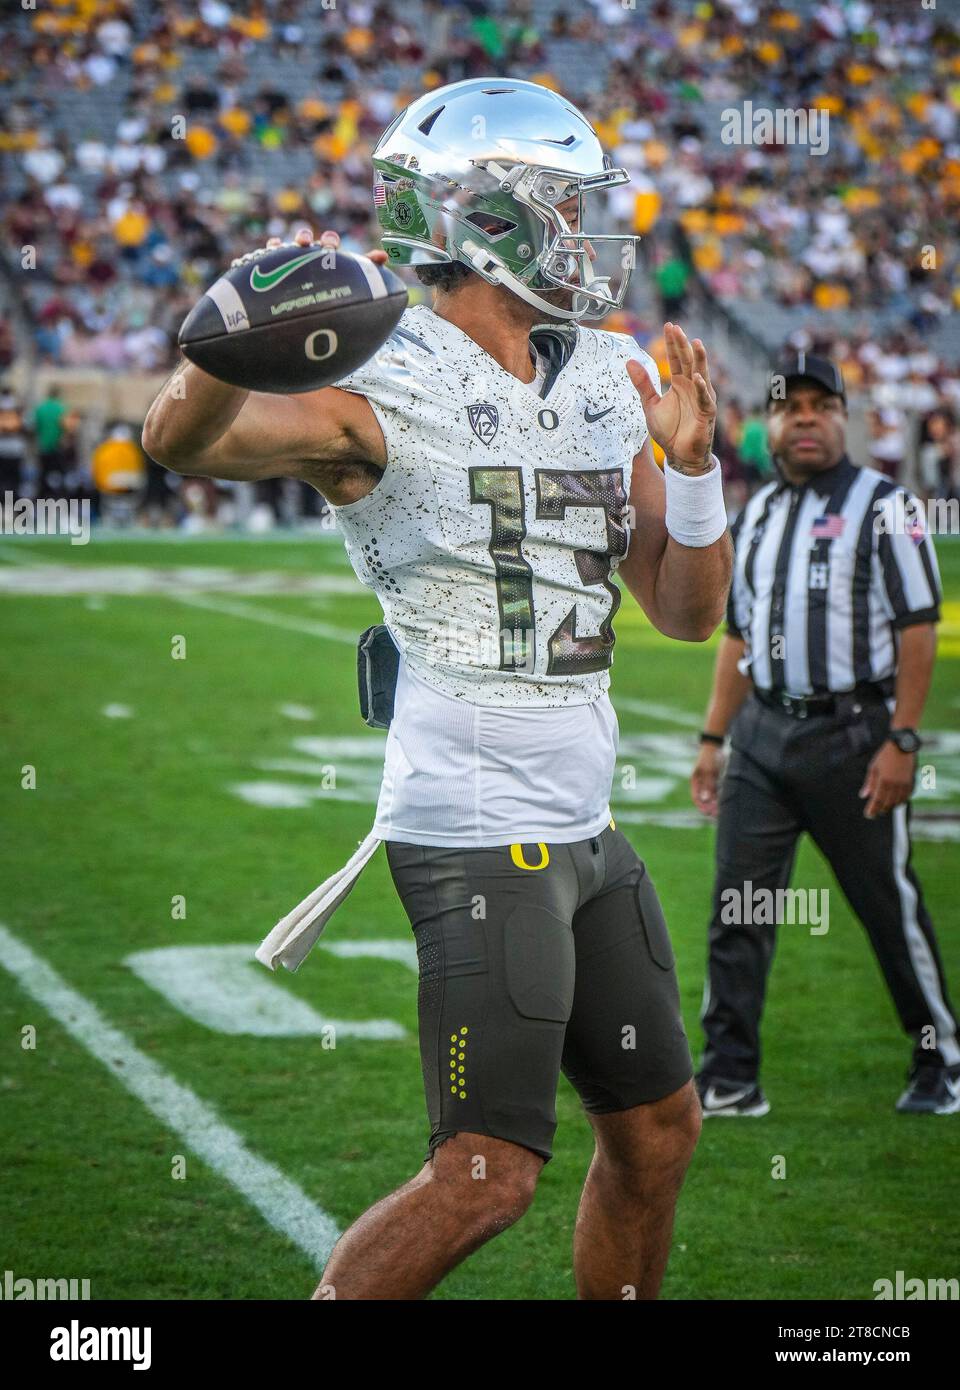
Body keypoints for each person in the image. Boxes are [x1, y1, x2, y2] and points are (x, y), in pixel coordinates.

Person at [144, 78, 732, 1300]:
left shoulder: (609, 372)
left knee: (659, 1130)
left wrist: (696, 471)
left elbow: (683, 612)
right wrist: (227, 332)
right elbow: (182, 443)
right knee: (485, 1175)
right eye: (563, 203)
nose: (589, 227)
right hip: (474, 819)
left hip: (585, 817)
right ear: (488, 219)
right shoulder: (382, 375)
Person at [690, 352, 958, 1117]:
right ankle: (730, 1073)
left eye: (821, 404)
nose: (806, 416)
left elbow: (918, 628)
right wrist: (714, 740)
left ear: (845, 418)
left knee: (887, 906)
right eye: (790, 406)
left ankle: (942, 1057)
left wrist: (904, 739)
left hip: (854, 736)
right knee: (738, 908)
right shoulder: (761, 514)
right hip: (764, 737)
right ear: (768, 425)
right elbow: (739, 638)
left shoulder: (887, 503)